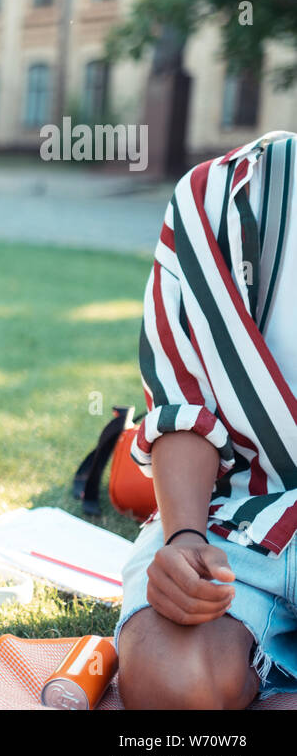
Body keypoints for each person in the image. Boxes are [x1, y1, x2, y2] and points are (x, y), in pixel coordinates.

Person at [116, 131, 297, 709]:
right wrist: (185, 539)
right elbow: (182, 408)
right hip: (236, 514)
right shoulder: (219, 197)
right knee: (171, 682)